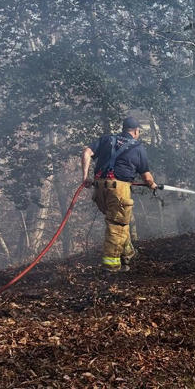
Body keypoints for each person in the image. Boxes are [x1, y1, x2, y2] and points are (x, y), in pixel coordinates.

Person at [81, 115, 156, 273]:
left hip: (99, 188)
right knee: (117, 226)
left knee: (120, 221)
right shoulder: (138, 147)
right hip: (118, 189)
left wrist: (85, 177)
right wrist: (152, 185)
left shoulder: (107, 139)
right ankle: (111, 267)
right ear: (136, 131)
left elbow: (86, 152)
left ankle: (127, 253)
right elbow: (147, 176)